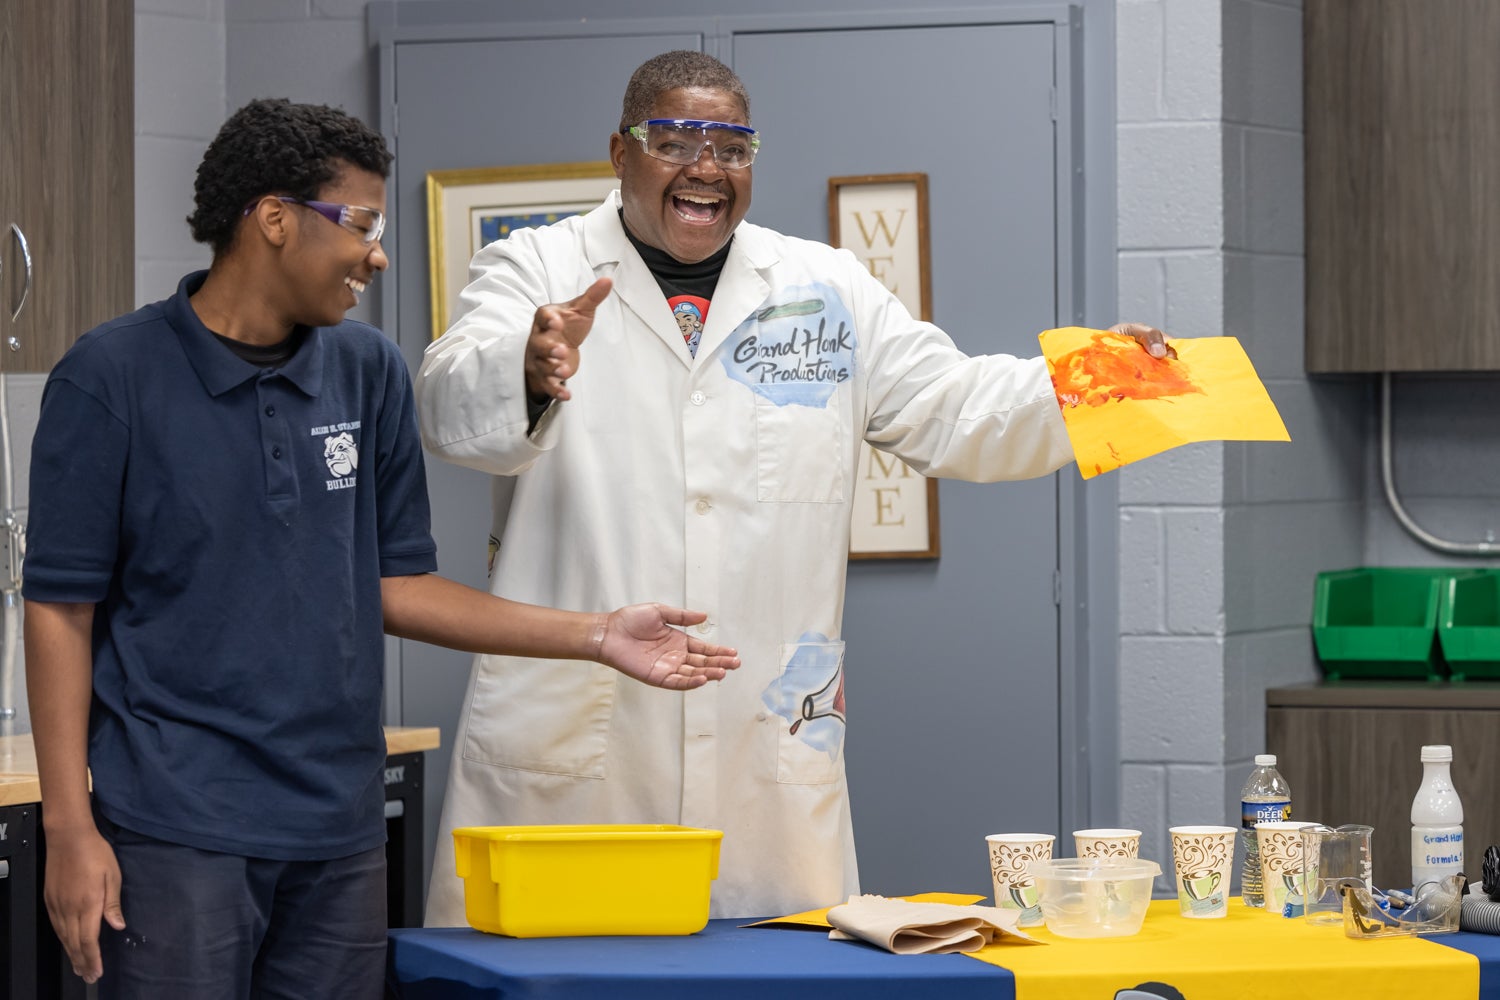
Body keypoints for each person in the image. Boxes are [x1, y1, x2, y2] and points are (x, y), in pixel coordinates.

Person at [415, 50, 1171, 923]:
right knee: (564, 966)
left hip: (761, 737)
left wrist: (1098, 380)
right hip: (578, 739)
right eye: (675, 141)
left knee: (774, 966)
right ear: (621, 154)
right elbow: (447, 405)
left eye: (732, 148)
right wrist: (529, 367)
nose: (706, 167)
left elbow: (958, 406)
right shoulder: (536, 268)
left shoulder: (825, 287)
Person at [22, 97, 738, 998]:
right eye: (360, 224)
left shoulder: (367, 372)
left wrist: (596, 635)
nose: (377, 254)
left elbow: (398, 585)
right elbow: (60, 607)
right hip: (175, 828)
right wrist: (69, 826)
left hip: (340, 828)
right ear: (274, 219)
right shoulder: (112, 376)